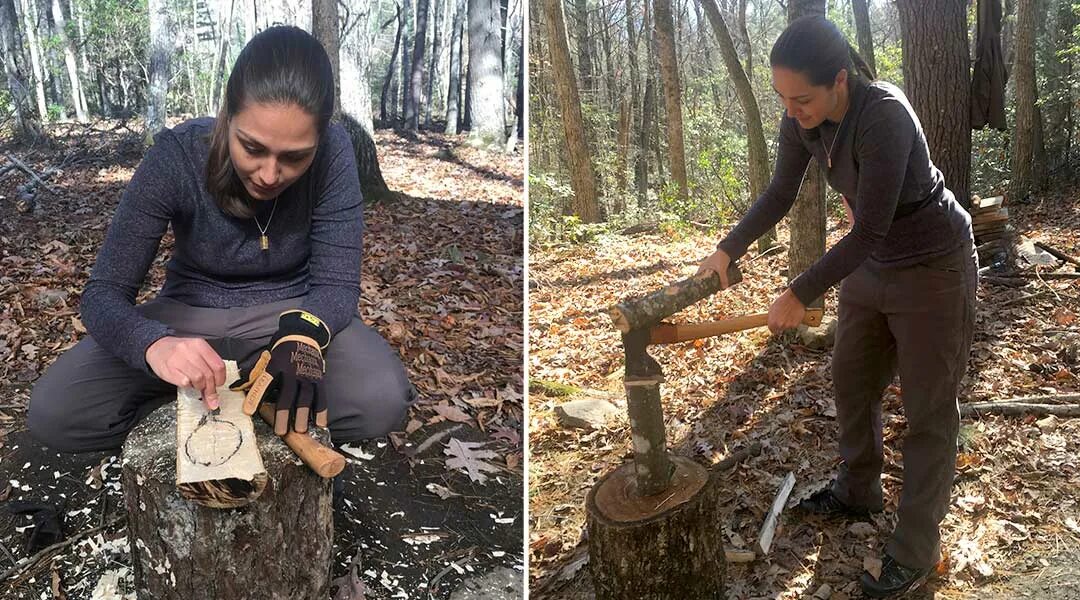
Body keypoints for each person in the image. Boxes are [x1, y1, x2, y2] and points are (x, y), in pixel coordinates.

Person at [29, 26, 416, 452]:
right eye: (252, 148)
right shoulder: (177, 155)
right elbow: (103, 294)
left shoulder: (334, 153)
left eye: (294, 157)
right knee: (57, 413)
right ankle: (206, 402)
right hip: (188, 316)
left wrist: (302, 336)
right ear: (227, 116)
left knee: (380, 400)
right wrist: (155, 345)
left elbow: (336, 287)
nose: (270, 175)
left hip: (290, 316)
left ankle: (249, 401)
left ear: (320, 138)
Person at [698, 16, 977, 598]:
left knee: (929, 411)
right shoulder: (803, 119)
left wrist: (799, 291)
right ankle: (858, 490)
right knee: (851, 381)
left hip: (932, 266)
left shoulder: (883, 116)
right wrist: (729, 247)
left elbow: (870, 228)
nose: (791, 108)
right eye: (782, 97)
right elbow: (780, 192)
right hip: (870, 267)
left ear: (840, 81)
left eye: (802, 98)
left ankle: (915, 548)